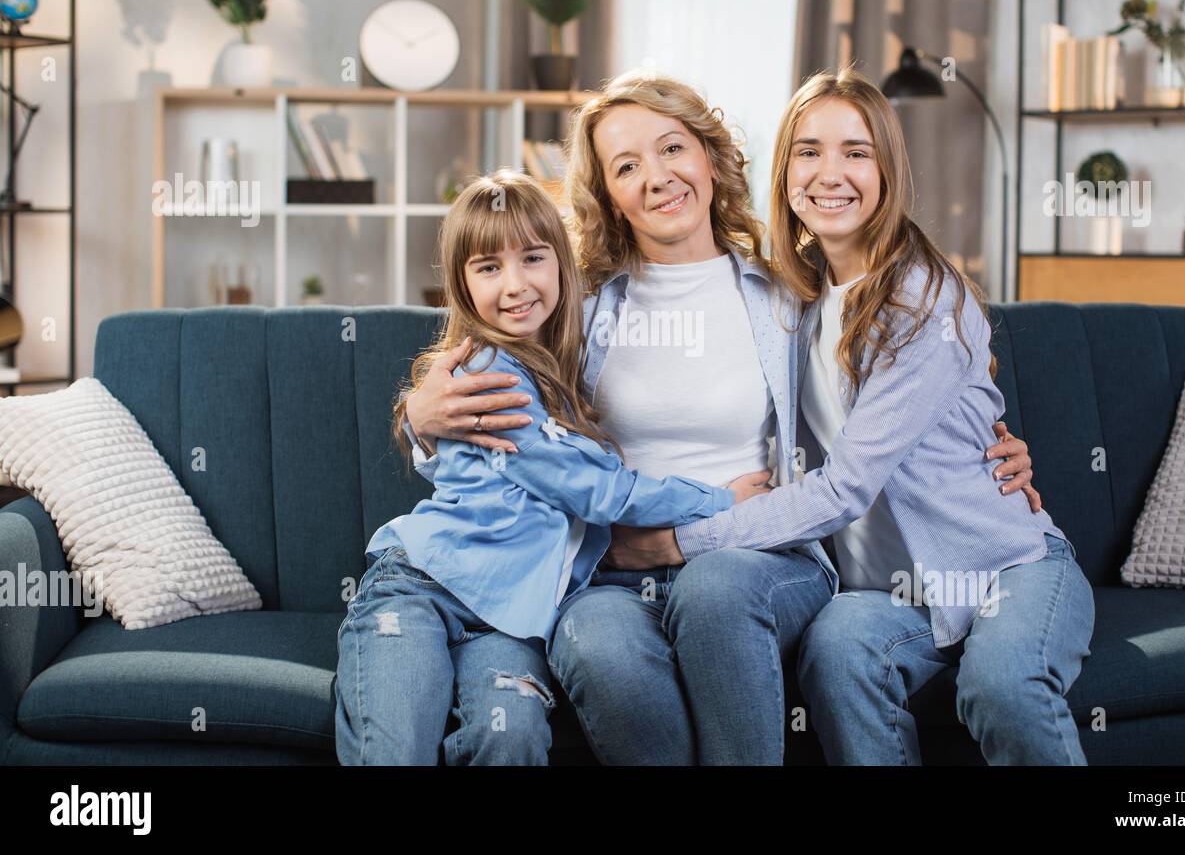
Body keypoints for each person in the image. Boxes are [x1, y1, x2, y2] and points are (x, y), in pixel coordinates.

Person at [404, 71, 1041, 765]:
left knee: (713, 589)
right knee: (596, 646)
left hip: (762, 557)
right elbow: (484, 390)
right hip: (613, 567)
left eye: (672, 148)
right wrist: (419, 418)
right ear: (608, 195)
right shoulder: (576, 309)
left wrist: (989, 446)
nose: (656, 177)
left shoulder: (789, 293)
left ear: (709, 157)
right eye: (626, 166)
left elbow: (909, 373)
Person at [662, 67, 1096, 764]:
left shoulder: (922, 300)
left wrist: (677, 543)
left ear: (888, 169)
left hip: (1008, 567)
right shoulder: (792, 298)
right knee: (836, 654)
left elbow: (846, 487)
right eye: (808, 151)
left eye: (855, 152)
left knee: (1002, 687)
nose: (829, 172)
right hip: (888, 596)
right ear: (785, 170)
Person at [333, 171, 764, 765]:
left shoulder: (561, 358)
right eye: (488, 267)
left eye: (533, 258)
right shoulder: (494, 375)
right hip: (423, 590)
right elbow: (600, 492)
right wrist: (722, 501)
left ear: (561, 264)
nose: (515, 285)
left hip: (510, 623)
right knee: (396, 749)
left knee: (510, 739)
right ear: (461, 283)